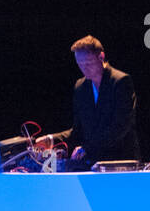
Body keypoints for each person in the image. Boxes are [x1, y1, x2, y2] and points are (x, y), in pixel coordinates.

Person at [41, 35, 140, 165]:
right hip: (93, 162)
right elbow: (78, 130)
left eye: (88, 63)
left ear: (101, 57)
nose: (84, 69)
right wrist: (51, 139)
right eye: (80, 64)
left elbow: (120, 127)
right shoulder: (80, 86)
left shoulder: (120, 82)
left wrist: (87, 148)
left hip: (121, 159)